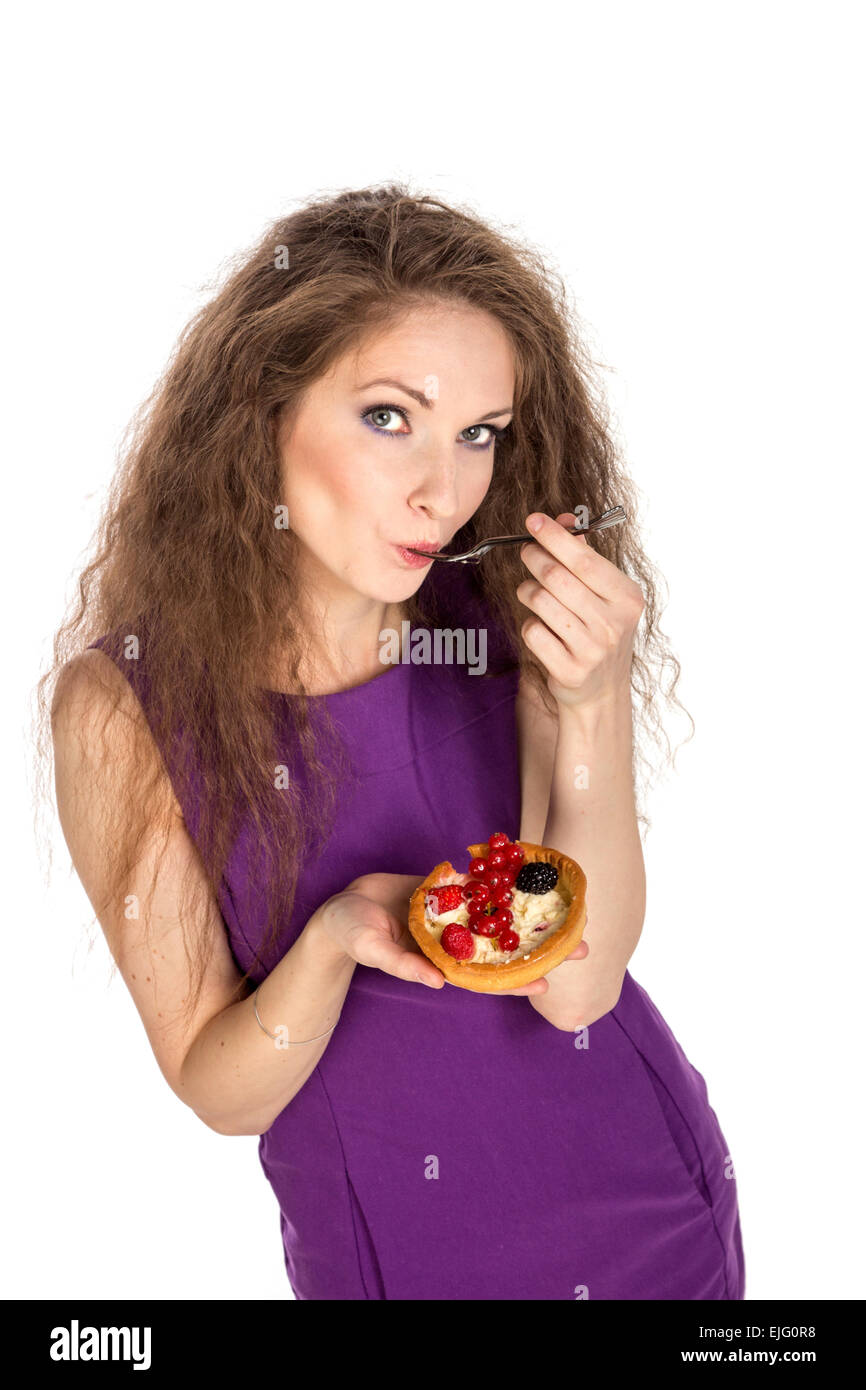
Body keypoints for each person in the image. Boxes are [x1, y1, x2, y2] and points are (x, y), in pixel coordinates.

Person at [44, 183, 745, 1299]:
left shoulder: (503, 622)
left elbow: (574, 988)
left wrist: (594, 704)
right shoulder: (122, 706)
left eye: (477, 436)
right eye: (388, 418)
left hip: (644, 1218)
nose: (444, 488)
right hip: (392, 1258)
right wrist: (330, 944)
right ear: (260, 408)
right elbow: (225, 1093)